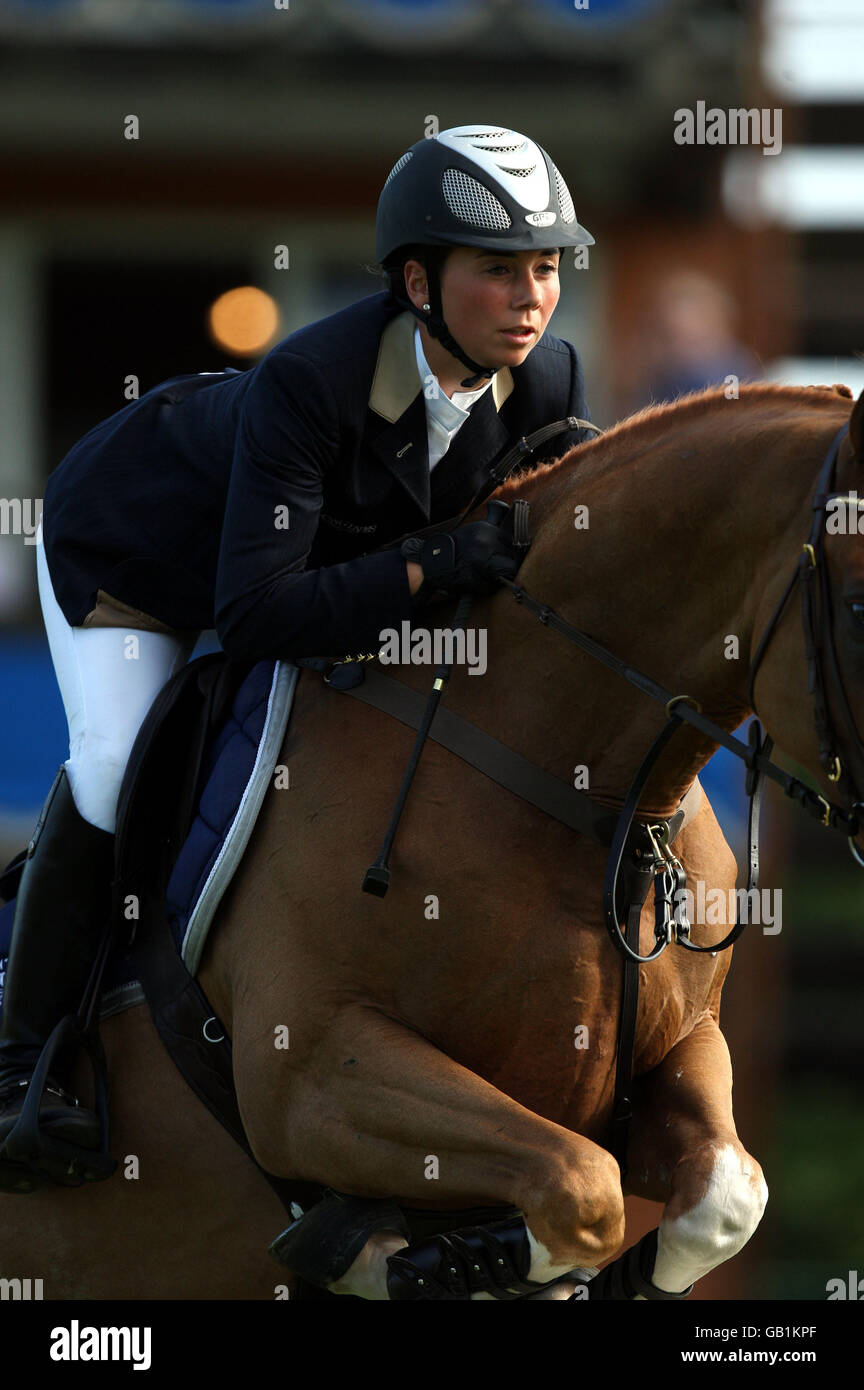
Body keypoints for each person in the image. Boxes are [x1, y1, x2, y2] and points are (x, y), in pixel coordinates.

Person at [0, 124, 595, 1192]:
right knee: (112, 773)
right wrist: (428, 566)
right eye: (498, 270)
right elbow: (262, 612)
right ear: (416, 280)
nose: (532, 297)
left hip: (298, 569)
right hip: (130, 554)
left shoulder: (546, 382)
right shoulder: (311, 383)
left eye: (545, 268)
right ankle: (20, 1060)